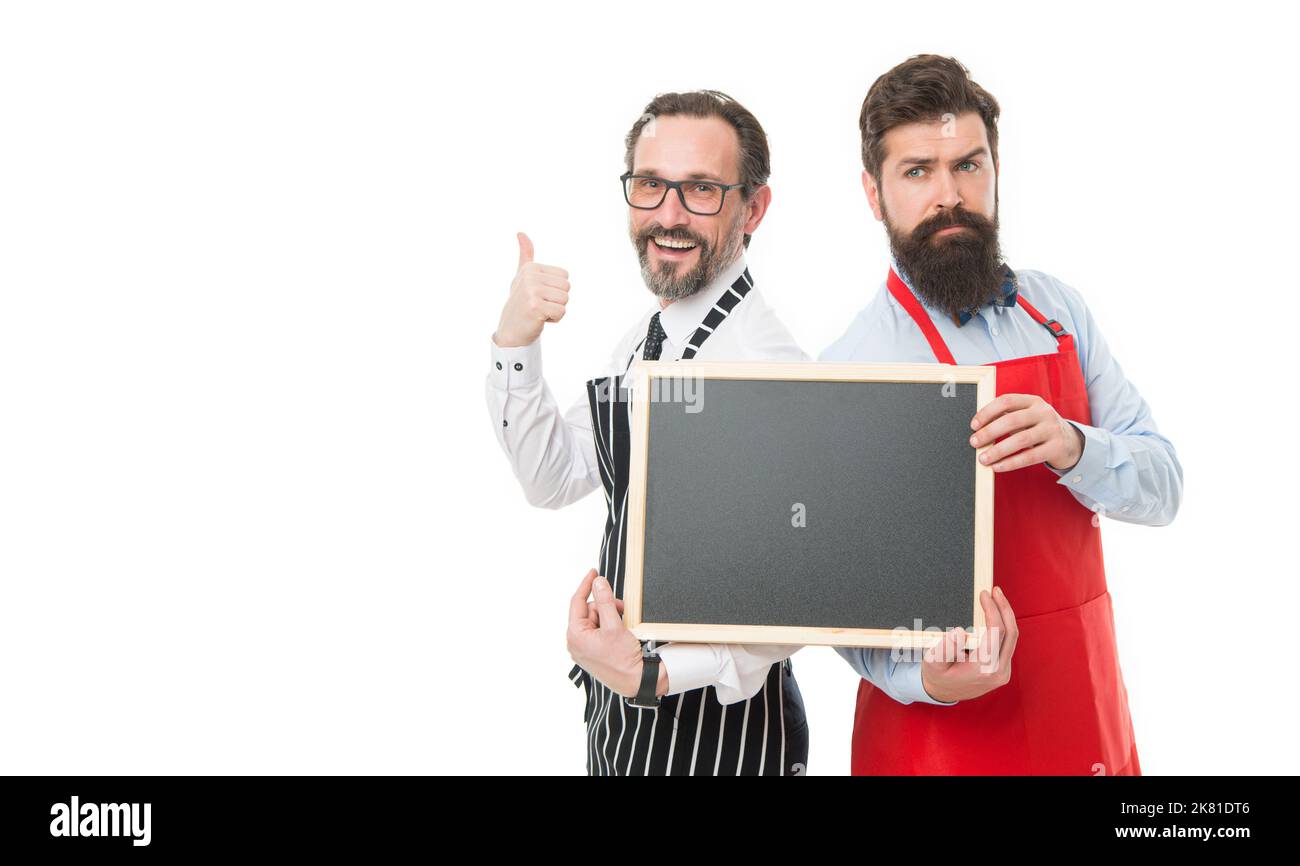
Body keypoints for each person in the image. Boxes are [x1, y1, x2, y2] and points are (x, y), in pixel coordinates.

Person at [822, 54, 1183, 775]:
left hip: (1082, 700)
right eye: (918, 171)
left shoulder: (1058, 313)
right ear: (873, 193)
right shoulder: (852, 368)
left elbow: (1164, 487)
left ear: (996, 168)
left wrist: (1075, 446)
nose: (949, 196)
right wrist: (926, 679)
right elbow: (831, 601)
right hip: (936, 740)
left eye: (969, 165)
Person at [488, 90, 818, 775]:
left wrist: (654, 674)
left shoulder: (765, 366)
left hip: (718, 736)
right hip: (622, 714)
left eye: (701, 189)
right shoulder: (649, 336)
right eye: (650, 185)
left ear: (753, 208)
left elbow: (801, 592)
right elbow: (554, 478)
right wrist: (516, 342)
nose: (668, 216)